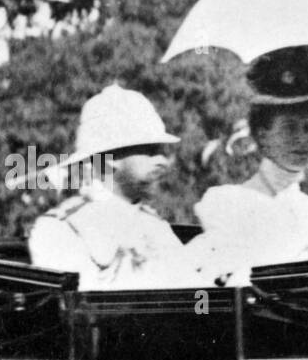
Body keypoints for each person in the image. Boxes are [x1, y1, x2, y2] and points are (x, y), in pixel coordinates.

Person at [190, 48, 308, 285]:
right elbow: (233, 281)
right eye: (289, 128)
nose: (302, 139)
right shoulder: (228, 204)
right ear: (262, 134)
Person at [28, 85, 201, 290]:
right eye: (151, 150)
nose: (163, 160)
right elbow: (87, 313)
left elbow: (200, 300)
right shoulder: (60, 230)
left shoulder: (155, 226)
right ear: (112, 160)